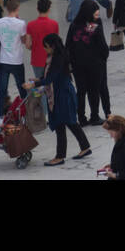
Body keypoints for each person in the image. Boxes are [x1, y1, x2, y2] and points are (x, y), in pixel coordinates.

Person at [23, 34, 92, 167]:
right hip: (58, 93)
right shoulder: (52, 57)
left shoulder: (59, 58)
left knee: (63, 123)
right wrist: (37, 80)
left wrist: (33, 85)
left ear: (53, 46)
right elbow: (46, 76)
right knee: (70, 122)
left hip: (62, 94)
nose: (45, 49)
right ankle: (85, 147)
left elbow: (50, 78)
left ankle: (60, 156)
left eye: (46, 47)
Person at [67, 0, 111, 126]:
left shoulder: (74, 25)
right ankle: (94, 116)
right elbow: (102, 46)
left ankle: (81, 117)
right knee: (94, 90)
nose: (97, 17)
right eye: (96, 14)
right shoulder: (95, 26)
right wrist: (104, 57)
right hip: (95, 64)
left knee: (81, 91)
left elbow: (68, 44)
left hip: (77, 65)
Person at [0, 0, 29, 117]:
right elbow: (23, 40)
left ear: (6, 8)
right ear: (17, 9)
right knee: (22, 87)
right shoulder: (21, 23)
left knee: (2, 90)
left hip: (3, 60)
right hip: (17, 60)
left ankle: (0, 117)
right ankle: (25, 114)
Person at [26, 0, 59, 87]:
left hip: (37, 59)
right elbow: (56, 43)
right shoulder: (54, 24)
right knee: (51, 84)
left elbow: (28, 45)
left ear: (37, 9)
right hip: (51, 59)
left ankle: (43, 101)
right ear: (49, 9)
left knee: (40, 85)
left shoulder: (30, 25)